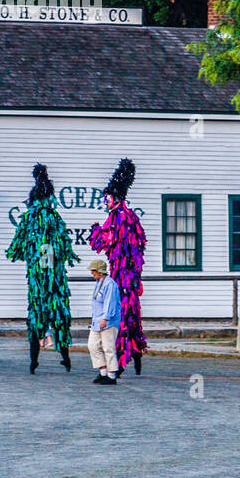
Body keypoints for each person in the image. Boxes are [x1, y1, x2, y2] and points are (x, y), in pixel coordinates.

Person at [5, 162, 77, 373]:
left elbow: (17, 246)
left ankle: (33, 361)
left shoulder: (28, 219)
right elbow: (66, 247)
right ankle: (65, 358)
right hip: (56, 280)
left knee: (37, 317)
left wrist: (25, 252)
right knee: (59, 318)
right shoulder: (55, 218)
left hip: (37, 279)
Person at [89, 158, 147, 376]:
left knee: (118, 317)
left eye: (107, 198)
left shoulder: (116, 217)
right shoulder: (132, 217)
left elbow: (103, 241)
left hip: (120, 276)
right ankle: (137, 360)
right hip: (131, 277)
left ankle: (118, 365)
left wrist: (95, 229)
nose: (105, 202)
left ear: (114, 197)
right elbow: (139, 245)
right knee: (132, 314)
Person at [88, 258, 121, 385]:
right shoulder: (99, 283)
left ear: (100, 271)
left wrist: (105, 318)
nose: (92, 273)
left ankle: (111, 375)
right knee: (93, 346)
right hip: (96, 321)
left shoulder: (110, 284)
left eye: (94, 271)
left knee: (108, 348)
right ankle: (103, 371)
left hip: (108, 322)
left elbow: (110, 303)